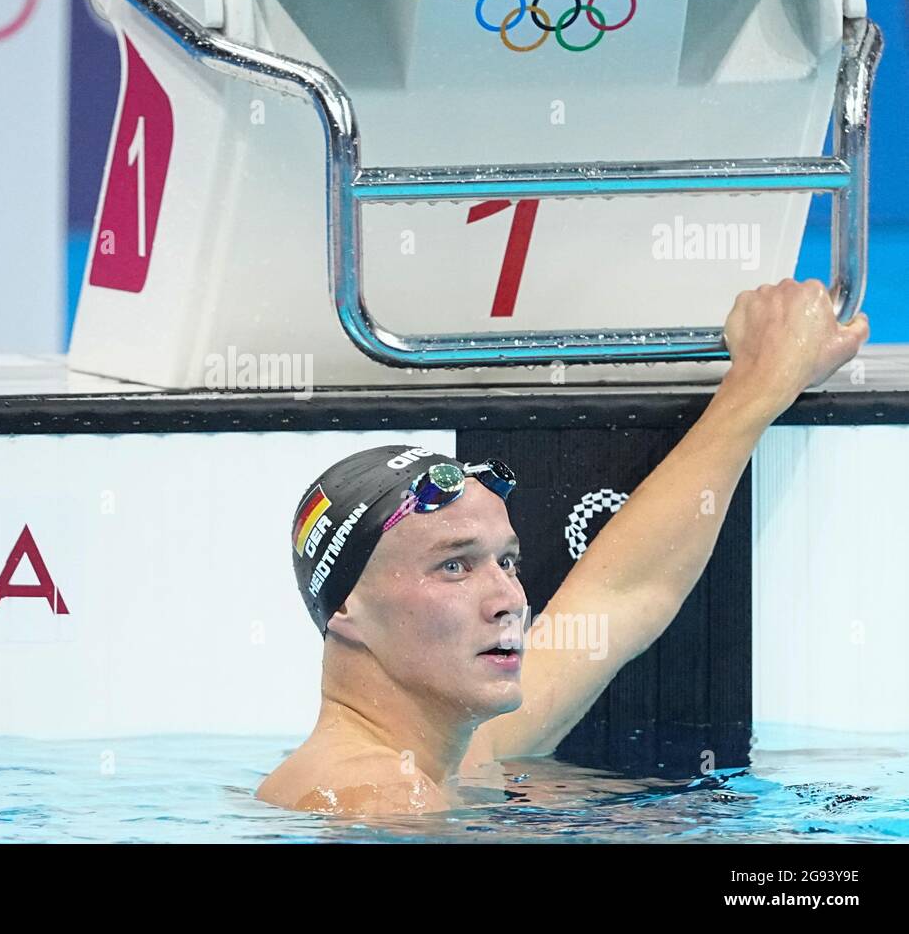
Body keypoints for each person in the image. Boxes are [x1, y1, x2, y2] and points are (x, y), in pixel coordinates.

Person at [257, 279, 870, 815]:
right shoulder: (379, 798)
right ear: (346, 611)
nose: (508, 600)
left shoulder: (467, 747)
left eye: (507, 561)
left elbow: (625, 589)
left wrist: (761, 382)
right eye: (453, 566)